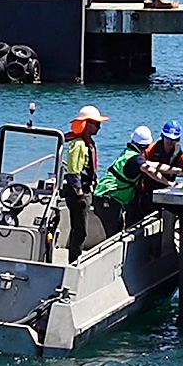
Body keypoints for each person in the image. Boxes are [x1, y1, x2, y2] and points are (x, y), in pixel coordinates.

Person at [93, 126, 171, 236]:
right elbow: (150, 170)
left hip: (104, 196)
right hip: (108, 198)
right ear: (148, 145)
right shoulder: (136, 159)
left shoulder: (130, 154)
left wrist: (181, 171)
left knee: (117, 230)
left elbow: (155, 165)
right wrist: (169, 183)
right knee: (115, 234)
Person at [62, 104, 107, 264]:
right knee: (80, 229)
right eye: (97, 124)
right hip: (78, 194)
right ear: (86, 124)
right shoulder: (79, 144)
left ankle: (75, 257)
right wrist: (79, 194)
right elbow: (73, 171)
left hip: (86, 191)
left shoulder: (86, 142)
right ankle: (74, 261)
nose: (99, 127)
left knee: (81, 228)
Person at [142, 119, 183, 198]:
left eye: (173, 139)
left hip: (167, 193)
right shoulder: (150, 150)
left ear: (178, 139)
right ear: (162, 136)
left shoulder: (181, 157)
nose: (170, 141)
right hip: (146, 191)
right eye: (167, 138)